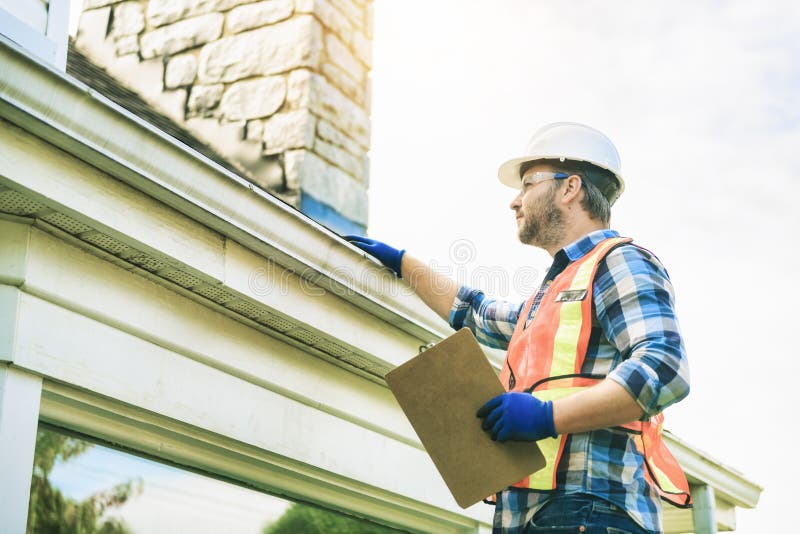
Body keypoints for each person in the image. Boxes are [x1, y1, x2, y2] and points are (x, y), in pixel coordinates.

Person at [347, 122, 691, 534]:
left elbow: (665, 368)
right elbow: (475, 313)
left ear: (570, 188)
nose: (515, 201)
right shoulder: (551, 296)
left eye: (528, 184)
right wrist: (404, 263)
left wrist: (546, 416)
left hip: (591, 512)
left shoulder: (620, 262)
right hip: (536, 516)